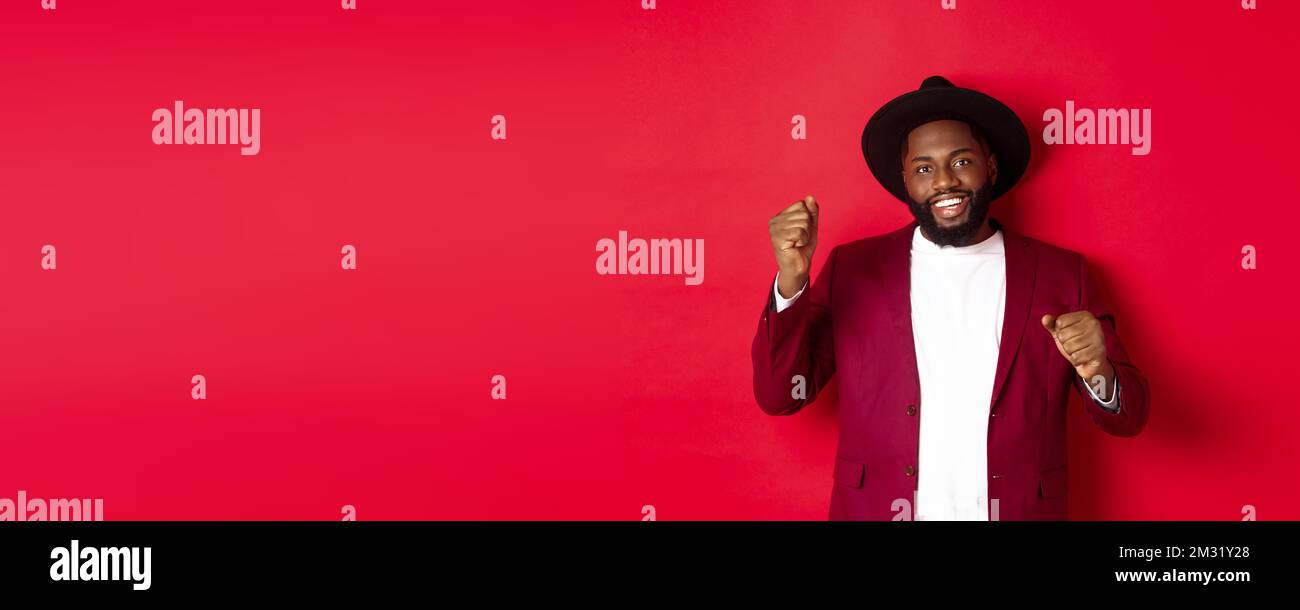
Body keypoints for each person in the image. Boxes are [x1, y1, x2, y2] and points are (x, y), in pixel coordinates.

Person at [751, 75, 1150, 520]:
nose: (944, 181)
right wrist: (790, 282)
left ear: (991, 168)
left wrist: (1099, 371)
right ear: (905, 181)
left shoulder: (1063, 274)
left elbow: (1128, 418)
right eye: (923, 168)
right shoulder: (854, 268)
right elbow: (781, 395)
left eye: (961, 161)